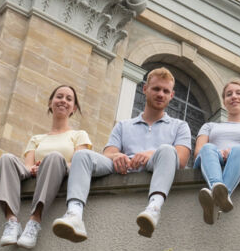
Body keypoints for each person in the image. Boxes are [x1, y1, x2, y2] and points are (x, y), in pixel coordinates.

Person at [51, 67, 192, 241]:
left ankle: (153, 209)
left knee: (168, 150)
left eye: (165, 91)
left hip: (157, 163)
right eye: (156, 89)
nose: (160, 94)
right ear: (145, 89)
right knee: (82, 155)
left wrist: (150, 153)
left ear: (172, 95)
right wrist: (117, 156)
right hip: (124, 166)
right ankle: (74, 214)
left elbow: (182, 159)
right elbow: (108, 152)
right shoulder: (124, 125)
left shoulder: (179, 125)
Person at [0, 84, 91, 248]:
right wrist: (33, 169)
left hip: (61, 170)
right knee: (5, 158)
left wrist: (47, 164)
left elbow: (78, 163)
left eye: (69, 99)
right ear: (50, 102)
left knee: (53, 157)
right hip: (39, 173)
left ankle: (34, 222)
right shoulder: (36, 138)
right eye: (59, 96)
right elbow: (28, 166)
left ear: (73, 108)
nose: (63, 101)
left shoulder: (79, 135)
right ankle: (12, 222)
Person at [192, 80, 240, 225]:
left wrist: (232, 151)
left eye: (238, 93)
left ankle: (216, 195)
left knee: (239, 150)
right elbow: (198, 153)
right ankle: (220, 192)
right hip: (212, 159)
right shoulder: (209, 126)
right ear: (224, 102)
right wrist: (218, 152)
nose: (233, 96)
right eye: (229, 94)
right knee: (208, 148)